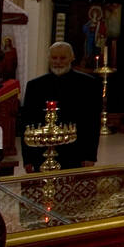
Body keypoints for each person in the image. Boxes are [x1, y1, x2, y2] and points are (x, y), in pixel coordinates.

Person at [19, 41, 102, 173]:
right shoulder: (35, 86)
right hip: (41, 152)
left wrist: (89, 155)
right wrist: (28, 159)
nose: (58, 61)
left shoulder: (87, 84)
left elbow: (92, 123)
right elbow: (28, 122)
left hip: (75, 152)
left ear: (72, 58)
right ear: (49, 58)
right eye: (54, 57)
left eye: (63, 58)